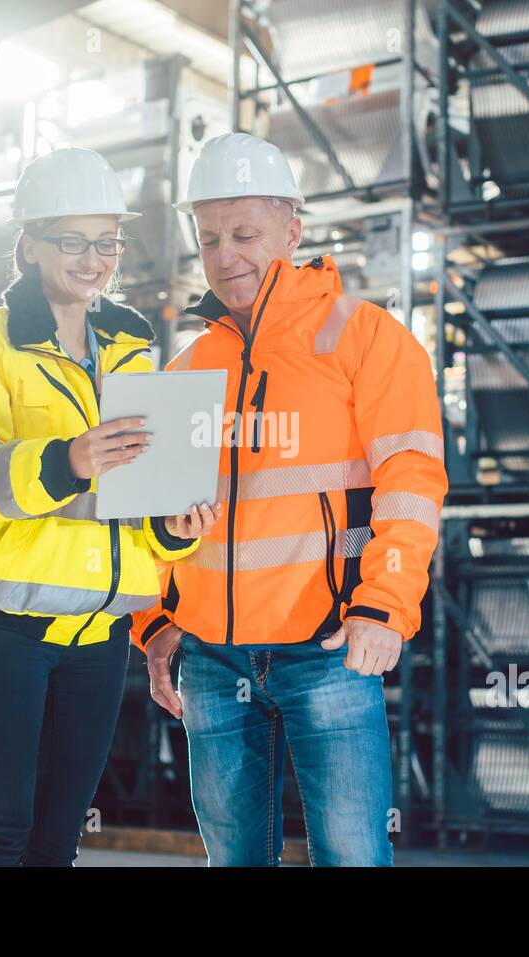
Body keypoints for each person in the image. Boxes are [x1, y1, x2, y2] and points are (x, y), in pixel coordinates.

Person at [131, 132, 447, 866]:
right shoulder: (185, 366)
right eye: (208, 238)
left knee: (350, 855)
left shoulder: (364, 337)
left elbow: (412, 479)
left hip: (329, 645)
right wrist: (155, 623)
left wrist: (385, 606)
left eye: (244, 233)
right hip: (210, 656)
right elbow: (153, 519)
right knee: (235, 858)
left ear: (293, 230)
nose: (225, 255)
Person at [0, 146, 221, 866]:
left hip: (100, 638)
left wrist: (173, 530)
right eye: (73, 240)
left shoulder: (132, 342)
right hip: (2, 634)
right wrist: (67, 460)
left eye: (108, 241)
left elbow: (137, 499)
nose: (94, 258)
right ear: (29, 244)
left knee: (56, 843)